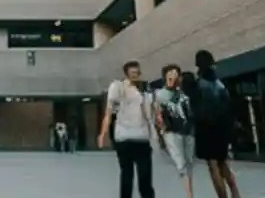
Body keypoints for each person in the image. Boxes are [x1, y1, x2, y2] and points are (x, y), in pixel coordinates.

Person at [98, 60, 156, 198]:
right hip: (124, 137)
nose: (135, 76)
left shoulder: (145, 90)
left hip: (142, 137)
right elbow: (108, 112)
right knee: (126, 175)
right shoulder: (118, 87)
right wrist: (102, 133)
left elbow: (150, 114)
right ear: (126, 74)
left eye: (137, 73)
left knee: (145, 176)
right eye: (132, 73)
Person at [192, 50, 241, 198]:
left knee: (213, 165)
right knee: (223, 162)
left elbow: (196, 108)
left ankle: (222, 196)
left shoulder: (199, 83)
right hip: (222, 127)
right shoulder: (219, 82)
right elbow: (228, 103)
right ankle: (235, 192)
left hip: (206, 128)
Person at [153, 64, 196, 198]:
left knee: (189, 162)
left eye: (176, 73)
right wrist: (161, 128)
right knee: (181, 163)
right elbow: (157, 113)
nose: (174, 75)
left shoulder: (183, 92)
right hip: (171, 132)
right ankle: (189, 195)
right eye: (171, 73)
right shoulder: (160, 94)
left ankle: (189, 189)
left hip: (188, 130)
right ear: (165, 75)